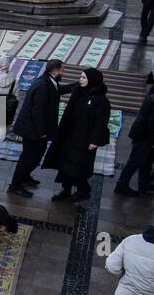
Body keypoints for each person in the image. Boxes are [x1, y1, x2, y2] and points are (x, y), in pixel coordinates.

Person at [43, 67, 111, 202]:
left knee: (78, 167)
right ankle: (66, 190)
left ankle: (83, 190)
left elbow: (101, 123)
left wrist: (94, 141)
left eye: (83, 77)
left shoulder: (101, 100)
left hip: (85, 140)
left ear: (92, 80)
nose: (80, 79)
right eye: (81, 76)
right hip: (70, 135)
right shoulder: (79, 91)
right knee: (65, 164)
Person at [8, 59, 65, 197]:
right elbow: (38, 112)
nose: (63, 72)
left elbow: (57, 90)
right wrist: (42, 132)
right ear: (55, 71)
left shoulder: (48, 81)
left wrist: (74, 86)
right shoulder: (43, 85)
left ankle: (25, 176)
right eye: (62, 70)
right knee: (28, 157)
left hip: (35, 129)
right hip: (33, 130)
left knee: (37, 155)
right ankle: (15, 185)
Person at [116, 86, 154, 198]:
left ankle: (144, 183)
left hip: (142, 132)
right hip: (145, 136)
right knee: (135, 161)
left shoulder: (152, 93)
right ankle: (122, 184)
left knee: (146, 160)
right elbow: (152, 124)